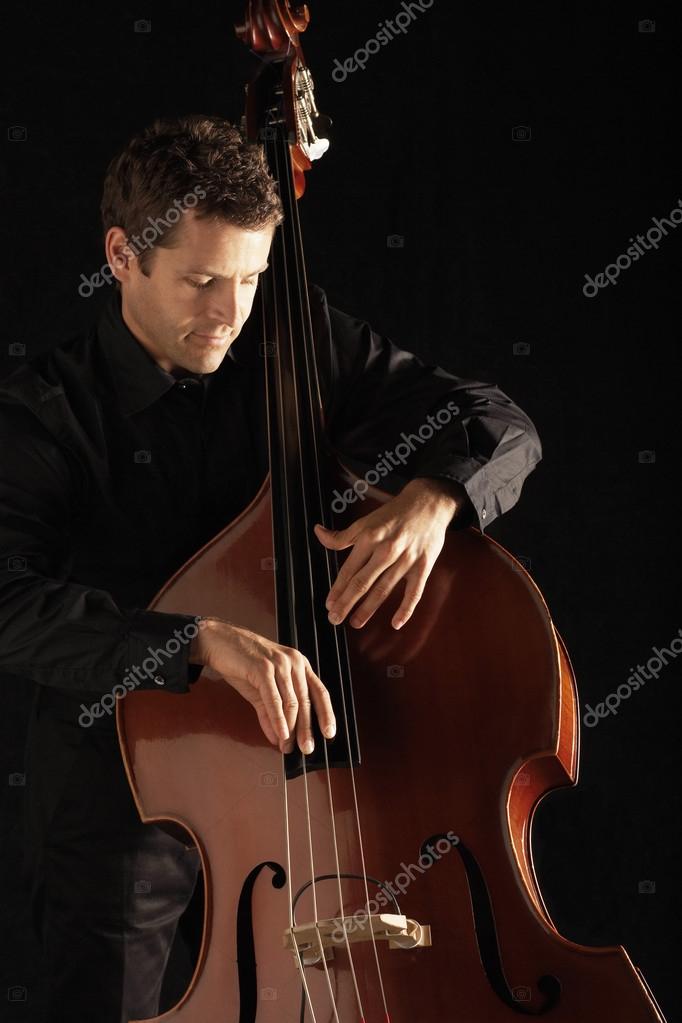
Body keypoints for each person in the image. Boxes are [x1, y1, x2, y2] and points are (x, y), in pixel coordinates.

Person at [0, 114, 542, 1022]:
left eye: (251, 278)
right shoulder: (45, 414)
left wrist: (437, 498)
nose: (230, 311)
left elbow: (496, 419)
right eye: (203, 279)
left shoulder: (296, 340)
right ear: (122, 255)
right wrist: (197, 644)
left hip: (326, 798)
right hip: (122, 803)